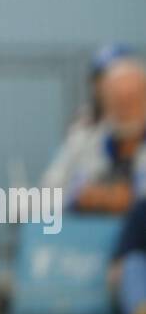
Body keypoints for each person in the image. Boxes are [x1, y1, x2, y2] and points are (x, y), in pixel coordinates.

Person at [42, 58, 146, 214]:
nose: (125, 108)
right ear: (105, 102)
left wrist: (133, 199)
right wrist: (77, 197)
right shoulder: (83, 141)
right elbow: (45, 194)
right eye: (117, 100)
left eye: (132, 99)